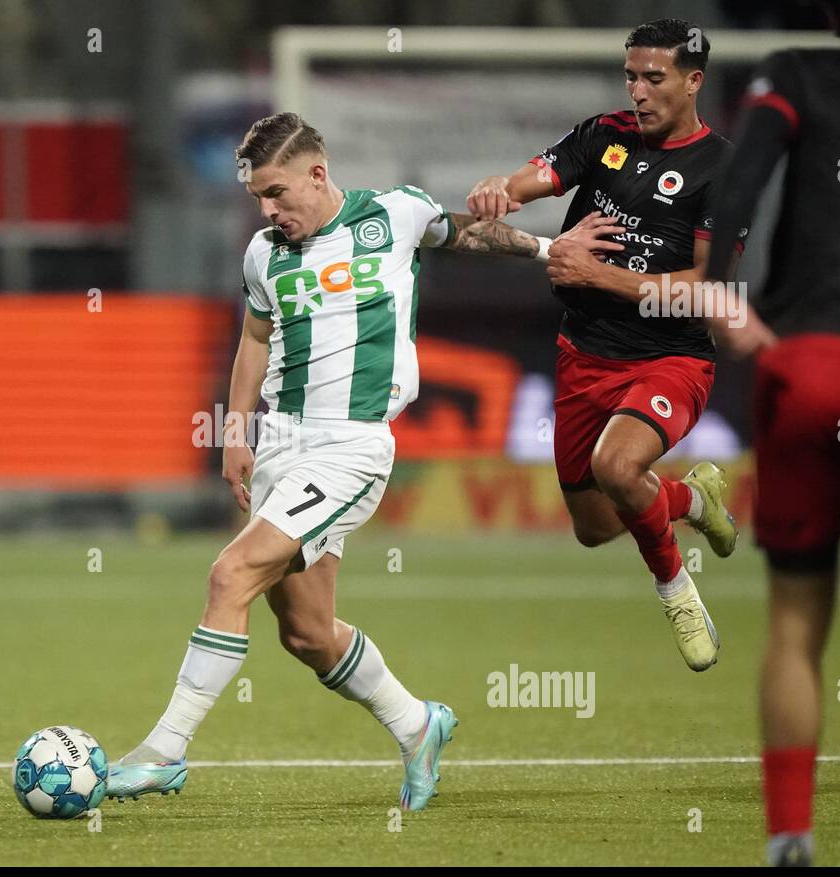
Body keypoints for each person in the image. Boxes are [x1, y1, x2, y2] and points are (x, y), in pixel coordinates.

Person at [107, 112, 619, 810]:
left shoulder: (395, 214)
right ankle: (418, 725)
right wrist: (235, 432)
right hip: (281, 446)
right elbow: (254, 340)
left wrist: (550, 248)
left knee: (230, 573)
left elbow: (468, 230)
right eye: (259, 196)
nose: (268, 209)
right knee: (308, 633)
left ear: (319, 174)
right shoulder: (263, 253)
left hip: (349, 448)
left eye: (277, 192)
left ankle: (164, 751)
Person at [466, 18, 749, 671]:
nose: (639, 92)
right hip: (583, 354)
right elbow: (526, 182)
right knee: (596, 528)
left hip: (670, 358)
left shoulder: (722, 169)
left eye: (655, 78)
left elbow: (707, 291)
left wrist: (600, 275)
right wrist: (496, 193)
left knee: (618, 469)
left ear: (693, 80)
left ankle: (678, 591)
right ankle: (691, 499)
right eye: (631, 76)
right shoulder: (604, 134)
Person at [704, 0, 840, 866]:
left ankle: (789, 841)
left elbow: (740, 183)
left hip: (808, 359)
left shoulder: (799, 71)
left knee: (794, 622)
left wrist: (718, 288)